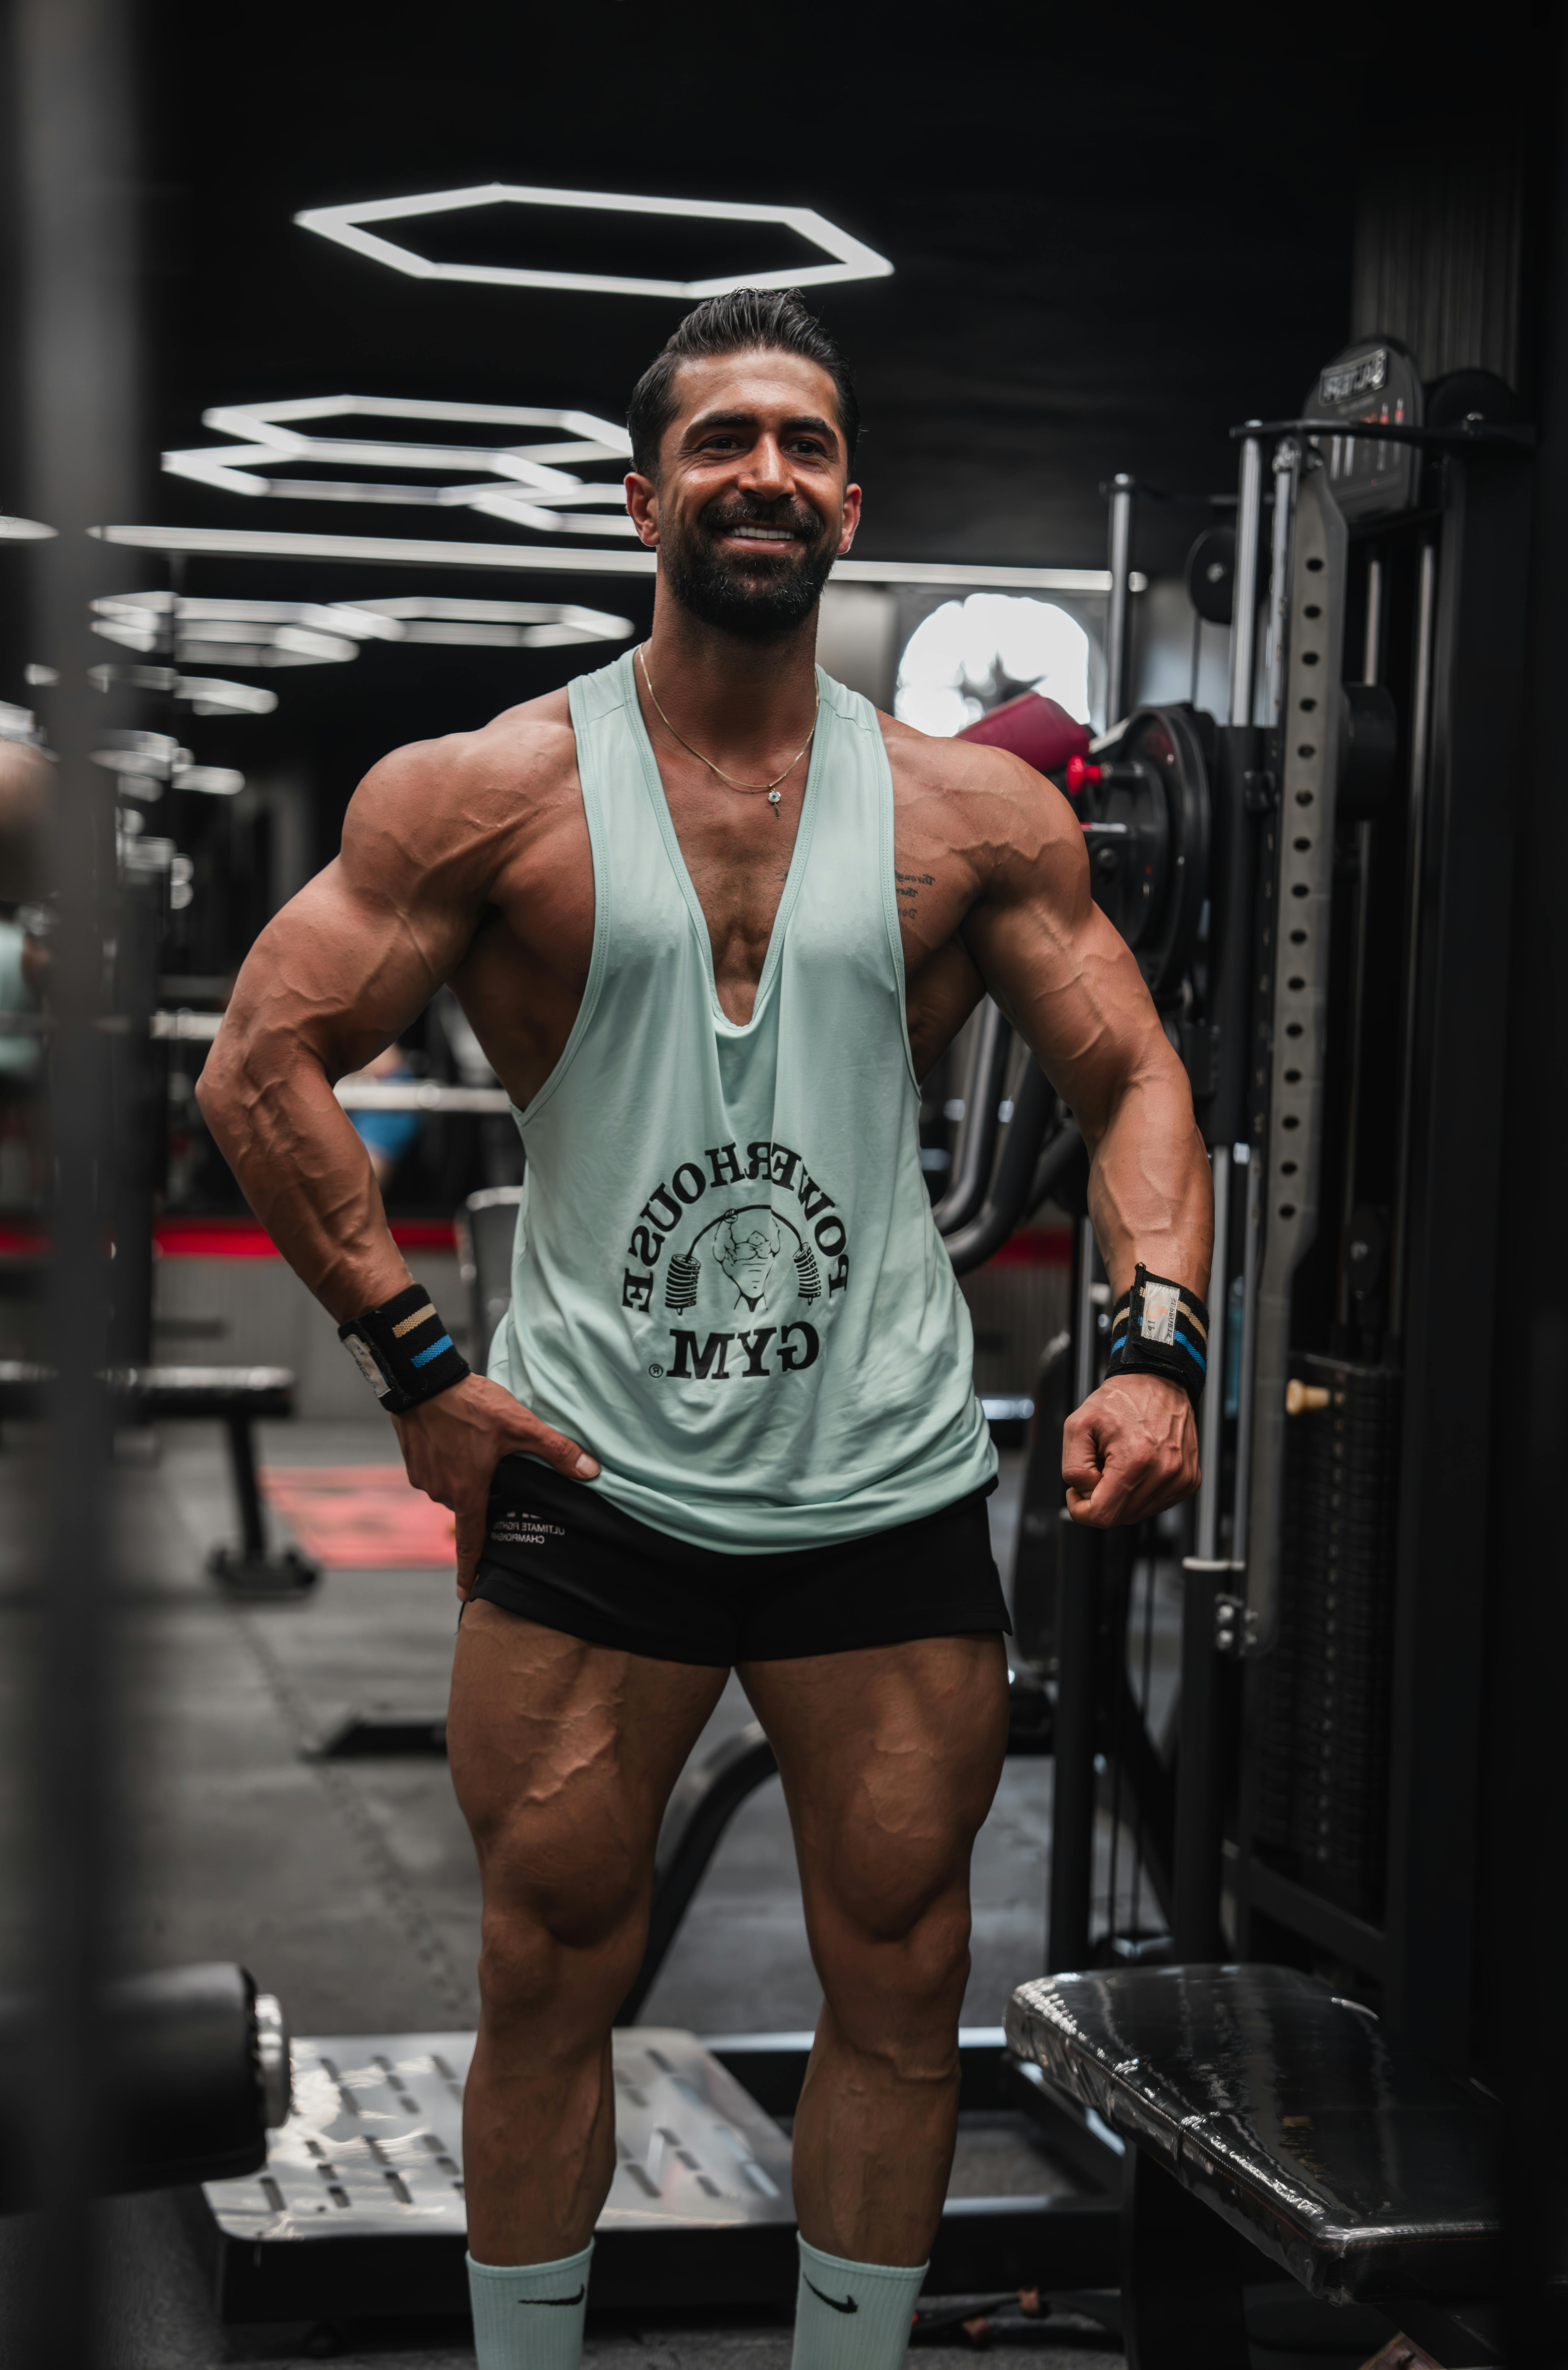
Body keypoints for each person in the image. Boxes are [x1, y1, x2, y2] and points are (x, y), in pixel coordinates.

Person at [198, 289, 1212, 2370]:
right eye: (724, 437)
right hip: (591, 1481)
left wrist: (1154, 1346)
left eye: (804, 441)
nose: (766, 470)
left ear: (852, 499)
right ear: (640, 491)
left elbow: (1132, 1079)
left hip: (884, 1482)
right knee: (547, 1974)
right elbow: (261, 1064)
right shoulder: (483, 794)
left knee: (904, 1974)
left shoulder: (968, 817)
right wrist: (416, 1369)